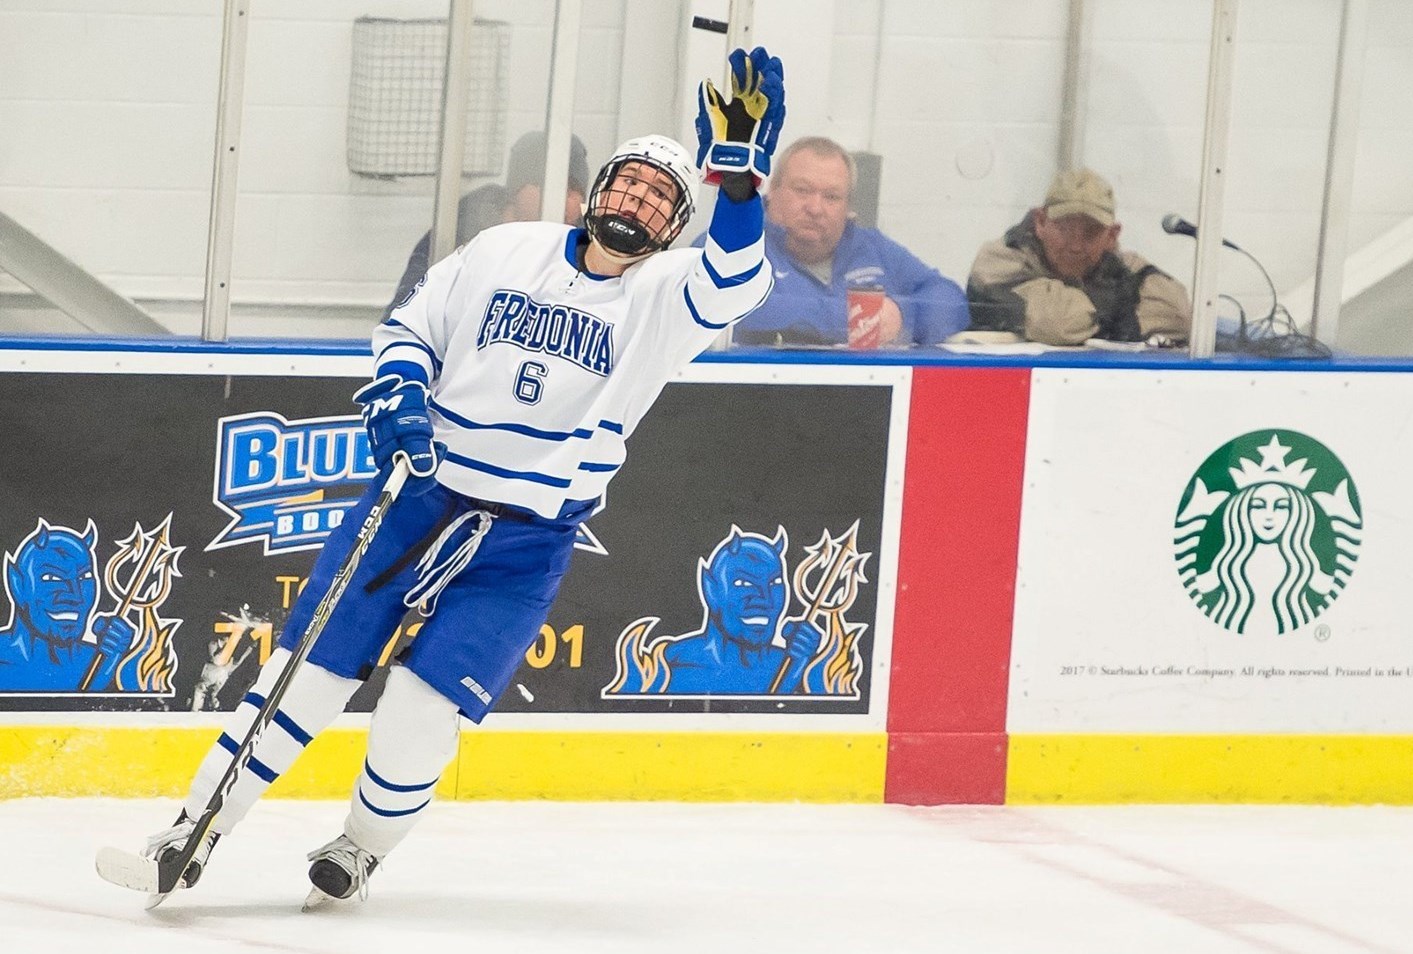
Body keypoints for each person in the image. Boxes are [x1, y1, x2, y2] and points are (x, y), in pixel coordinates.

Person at [115, 46, 784, 909]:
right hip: (414, 500)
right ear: (598, 191)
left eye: (661, 198)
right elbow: (412, 329)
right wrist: (396, 394)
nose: (637, 201)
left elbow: (735, 279)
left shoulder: (666, 297)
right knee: (309, 673)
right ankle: (192, 830)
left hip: (525, 539)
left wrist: (736, 187)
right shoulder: (506, 248)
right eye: (627, 184)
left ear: (671, 226)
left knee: (423, 713)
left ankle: (359, 849)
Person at [714, 135, 969, 347]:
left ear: (848, 206)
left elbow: (950, 300)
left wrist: (902, 316)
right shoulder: (732, 241)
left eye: (832, 197)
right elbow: (737, 308)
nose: (815, 208)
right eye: (802, 190)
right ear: (773, 190)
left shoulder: (870, 246)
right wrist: (859, 319)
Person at [964, 168, 1192, 346]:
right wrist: (1119, 313)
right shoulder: (1000, 259)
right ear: (1040, 222)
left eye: (1091, 232)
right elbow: (1059, 323)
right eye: (1064, 229)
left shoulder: (1122, 265)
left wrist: (1092, 316)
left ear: (1112, 235)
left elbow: (1179, 314)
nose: (1075, 245)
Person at [381, 130, 590, 320]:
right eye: (543, 185)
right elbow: (404, 311)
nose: (560, 200)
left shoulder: (586, 246)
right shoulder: (463, 227)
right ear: (516, 189)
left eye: (572, 191)